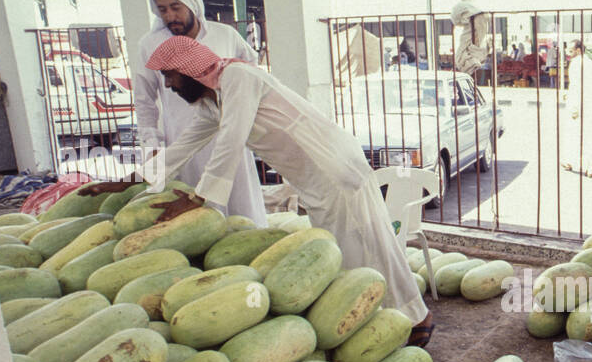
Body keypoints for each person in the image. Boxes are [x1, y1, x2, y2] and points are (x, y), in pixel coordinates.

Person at [130, 35, 432, 342]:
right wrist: (130, 181)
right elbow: (184, 146)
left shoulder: (238, 77)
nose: (168, 86)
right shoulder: (212, 103)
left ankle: (416, 318)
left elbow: (232, 139)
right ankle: (384, 320)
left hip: (335, 168)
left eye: (170, 76)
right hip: (314, 180)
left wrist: (199, 197)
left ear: (188, 68)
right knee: (346, 253)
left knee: (370, 243)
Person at [133, 0, 267, 226]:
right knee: (195, 217)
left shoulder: (225, 35)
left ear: (192, 3)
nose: (170, 16)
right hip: (185, 139)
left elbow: (250, 70)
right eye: (162, 9)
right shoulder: (149, 45)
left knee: (242, 209)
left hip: (230, 133)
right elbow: (144, 101)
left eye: (176, 7)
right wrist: (151, 145)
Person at [560, 39, 592, 177]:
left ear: (578, 50)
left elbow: (576, 86)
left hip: (577, 104)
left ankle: (570, 161)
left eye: (570, 50)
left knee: (573, 134)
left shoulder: (576, 64)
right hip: (591, 104)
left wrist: (574, 106)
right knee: (590, 135)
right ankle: (590, 166)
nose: (568, 53)